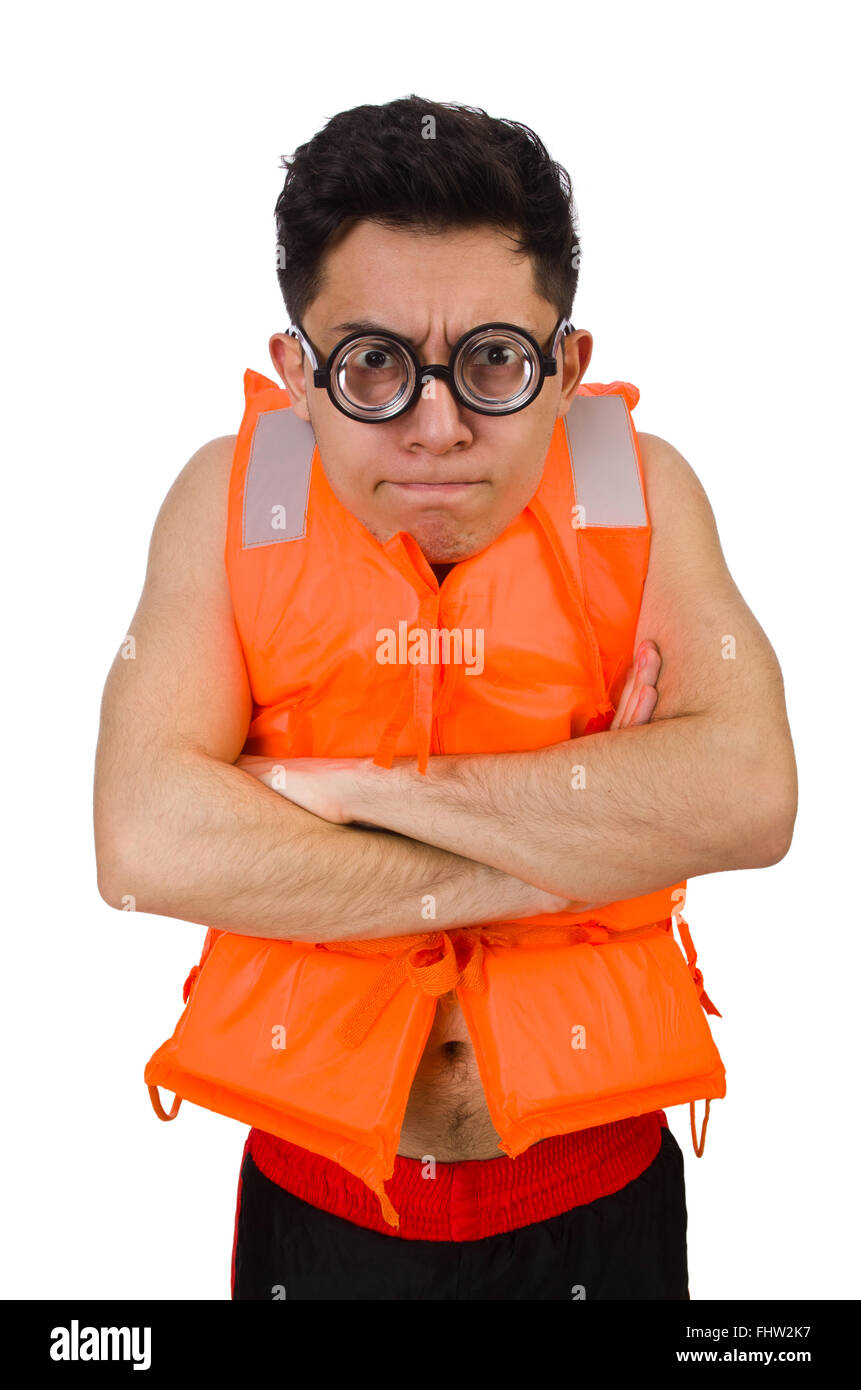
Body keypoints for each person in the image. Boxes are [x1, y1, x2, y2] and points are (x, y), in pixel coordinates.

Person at [94, 95, 797, 1300]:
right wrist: (574, 850)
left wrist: (348, 793)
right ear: (295, 373)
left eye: (492, 361)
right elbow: (145, 843)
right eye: (372, 362)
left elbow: (751, 796)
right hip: (318, 1204)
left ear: (566, 366)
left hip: (598, 1199)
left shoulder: (640, 491)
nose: (436, 424)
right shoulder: (224, 502)